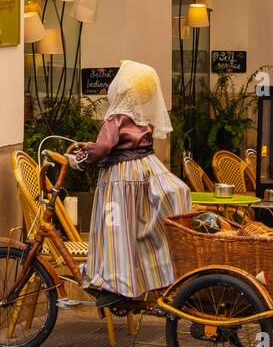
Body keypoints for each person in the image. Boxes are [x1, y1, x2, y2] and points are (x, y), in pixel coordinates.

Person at [73, 60, 192, 307]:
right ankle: (155, 274)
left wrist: (81, 160)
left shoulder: (115, 118)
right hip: (145, 171)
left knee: (116, 231)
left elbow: (105, 147)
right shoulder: (142, 119)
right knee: (136, 229)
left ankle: (115, 285)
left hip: (120, 177)